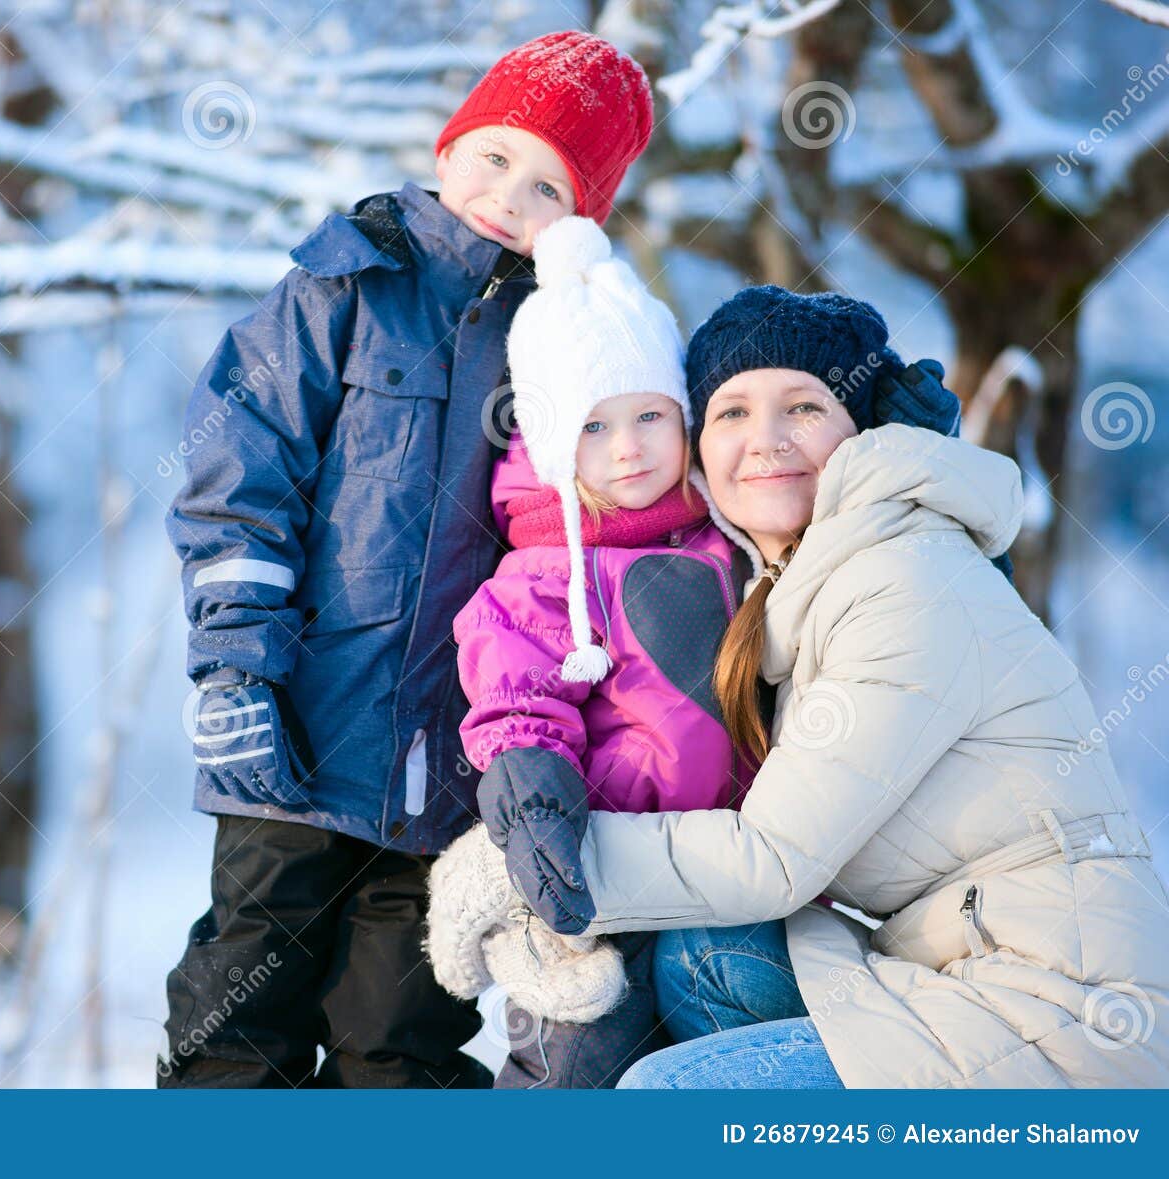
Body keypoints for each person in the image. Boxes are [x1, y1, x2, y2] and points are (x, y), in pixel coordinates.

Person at [158, 32, 656, 1088]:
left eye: (547, 187)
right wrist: (238, 668)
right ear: (449, 148)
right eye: (495, 158)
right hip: (298, 738)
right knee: (242, 1012)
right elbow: (238, 472)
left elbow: (657, 457)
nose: (508, 197)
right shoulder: (344, 286)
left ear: (581, 221)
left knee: (404, 1038)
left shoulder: (566, 343)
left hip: (453, 770)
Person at [574, 284, 1169, 1088]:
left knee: (664, 1097)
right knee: (705, 957)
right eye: (732, 412)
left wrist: (546, 857)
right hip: (958, 966)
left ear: (861, 428)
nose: (766, 439)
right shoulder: (809, 585)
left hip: (1060, 1014)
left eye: (805, 407)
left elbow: (772, 857)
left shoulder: (900, 577)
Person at [429, 216, 758, 1088]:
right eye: (594, 426)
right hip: (598, 876)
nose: (629, 447)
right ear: (546, 440)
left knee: (696, 1072)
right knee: (570, 1070)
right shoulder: (540, 573)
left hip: (724, 873)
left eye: (651, 415)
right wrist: (535, 797)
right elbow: (516, 697)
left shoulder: (727, 543)